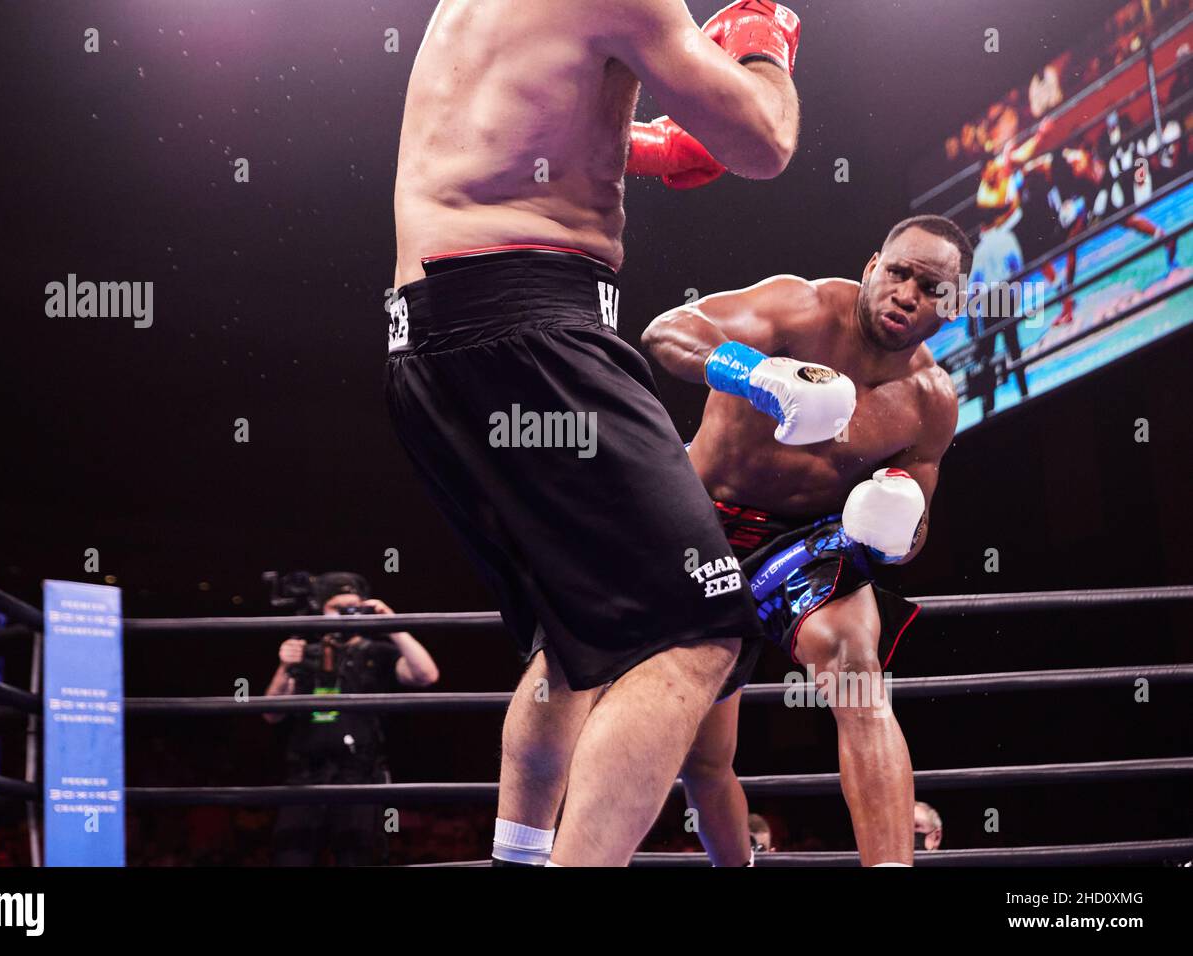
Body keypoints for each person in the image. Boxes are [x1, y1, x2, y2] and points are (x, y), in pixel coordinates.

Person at [386, 0, 856, 867]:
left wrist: (630, 142)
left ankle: (519, 859)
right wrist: (762, 44)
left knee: (571, 646)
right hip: (534, 332)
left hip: (429, 345)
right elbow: (764, 140)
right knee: (702, 629)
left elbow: (497, 126)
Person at [642, 214, 968, 866]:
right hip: (699, 524)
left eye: (931, 287)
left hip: (802, 543)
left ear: (953, 306)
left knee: (857, 672)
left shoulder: (931, 401)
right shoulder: (803, 307)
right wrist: (757, 374)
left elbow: (917, 528)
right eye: (899, 272)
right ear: (873, 267)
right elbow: (667, 331)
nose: (907, 293)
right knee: (703, 761)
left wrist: (894, 529)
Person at [264, 572, 439, 865]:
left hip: (359, 773)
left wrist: (392, 623)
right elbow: (271, 713)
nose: (347, 615)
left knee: (358, 859)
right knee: (290, 858)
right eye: (338, 607)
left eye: (354, 606)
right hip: (305, 775)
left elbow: (426, 675)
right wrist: (285, 667)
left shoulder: (377, 653)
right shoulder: (304, 654)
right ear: (321, 610)